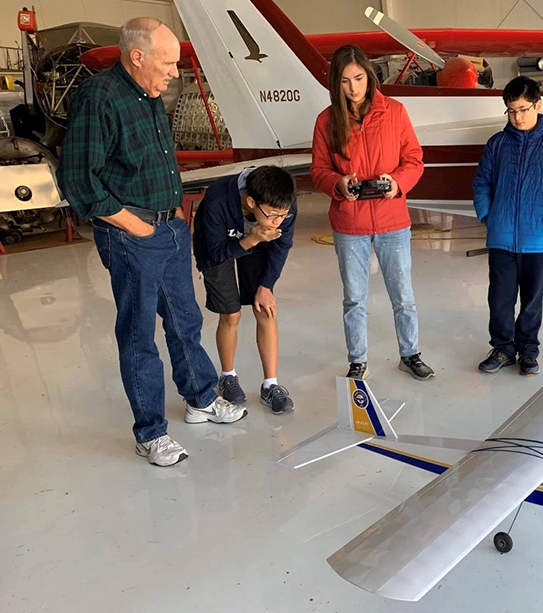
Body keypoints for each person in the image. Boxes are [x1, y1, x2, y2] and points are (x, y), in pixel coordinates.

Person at [57, 18, 246, 467]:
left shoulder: (151, 96)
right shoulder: (99, 98)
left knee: (185, 320)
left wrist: (173, 214)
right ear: (136, 55)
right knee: (139, 334)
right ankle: (151, 432)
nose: (174, 73)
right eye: (168, 62)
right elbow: (78, 180)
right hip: (132, 234)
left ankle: (201, 398)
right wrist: (135, 226)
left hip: (170, 228)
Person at [310, 44, 434, 382]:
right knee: (354, 298)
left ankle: (410, 354)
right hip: (350, 223)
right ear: (335, 83)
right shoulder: (326, 121)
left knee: (403, 296)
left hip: (392, 219)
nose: (353, 88)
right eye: (345, 81)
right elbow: (318, 169)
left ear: (370, 75)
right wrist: (338, 184)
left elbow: (414, 159)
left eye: (359, 78)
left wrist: (396, 183)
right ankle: (357, 360)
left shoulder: (394, 111)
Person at [473, 76, 543, 376]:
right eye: (511, 111)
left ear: (538, 104)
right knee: (500, 299)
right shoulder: (497, 144)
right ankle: (503, 348)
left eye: (522, 109)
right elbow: (482, 182)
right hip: (501, 238)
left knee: (532, 300)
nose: (517, 117)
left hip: (539, 239)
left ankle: (528, 351)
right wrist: (488, 216)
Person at [192, 165, 297, 414]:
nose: (278, 221)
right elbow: (216, 254)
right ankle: (228, 376)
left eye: (282, 215)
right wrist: (252, 239)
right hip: (218, 249)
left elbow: (282, 246)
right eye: (272, 215)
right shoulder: (218, 200)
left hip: (258, 240)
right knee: (231, 313)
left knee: (265, 308)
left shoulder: (283, 204)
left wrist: (266, 285)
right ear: (250, 202)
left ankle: (271, 385)